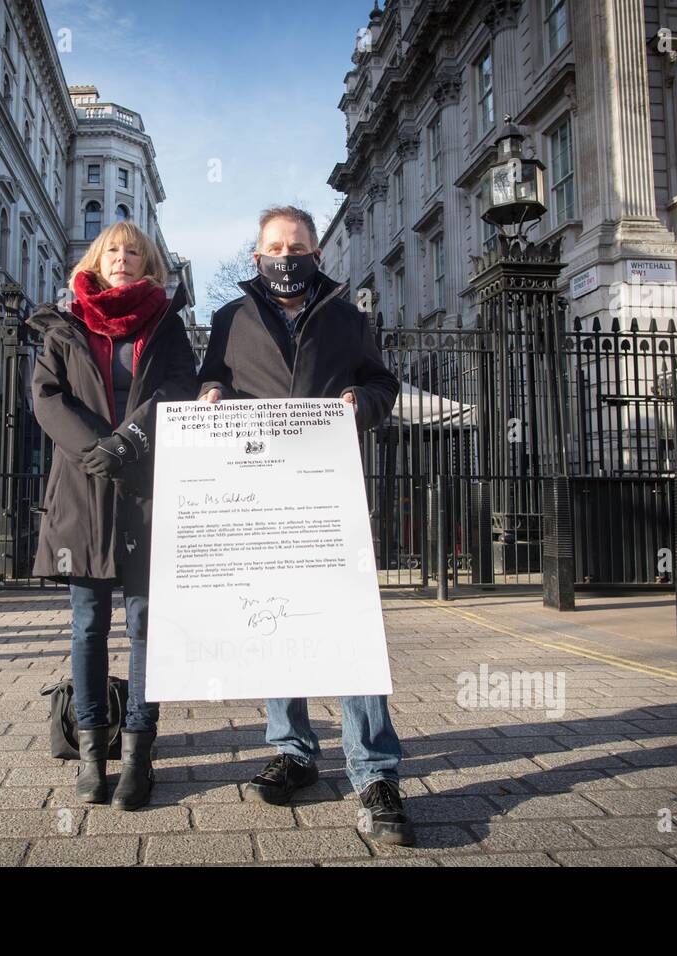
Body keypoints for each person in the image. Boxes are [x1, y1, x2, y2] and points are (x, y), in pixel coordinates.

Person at [197, 205, 412, 845]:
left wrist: (361, 405)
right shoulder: (229, 319)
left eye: (297, 245)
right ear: (257, 256)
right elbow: (211, 377)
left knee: (350, 626)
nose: (285, 255)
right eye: (273, 246)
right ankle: (293, 751)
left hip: (329, 492)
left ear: (317, 253)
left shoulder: (349, 319)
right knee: (271, 618)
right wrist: (210, 394)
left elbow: (382, 384)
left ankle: (374, 770)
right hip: (259, 491)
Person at [29, 220, 198, 810]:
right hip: (82, 489)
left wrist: (129, 440)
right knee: (88, 625)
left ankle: (138, 755)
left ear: (146, 263)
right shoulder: (65, 324)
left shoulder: (165, 323)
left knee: (147, 625)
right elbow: (46, 396)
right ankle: (92, 754)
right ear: (95, 263)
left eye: (133, 251)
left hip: (147, 484)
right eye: (112, 251)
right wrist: (92, 448)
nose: (122, 258)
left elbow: (180, 386)